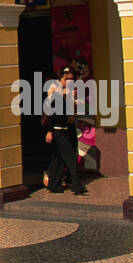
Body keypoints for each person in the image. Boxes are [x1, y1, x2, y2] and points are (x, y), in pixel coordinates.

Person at [42, 66, 86, 195]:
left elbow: (74, 110)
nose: (69, 81)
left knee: (60, 158)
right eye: (67, 79)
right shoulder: (55, 90)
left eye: (72, 79)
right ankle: (76, 185)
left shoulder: (71, 91)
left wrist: (74, 98)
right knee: (70, 156)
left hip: (68, 126)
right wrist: (49, 131)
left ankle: (53, 183)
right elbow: (50, 112)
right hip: (57, 128)